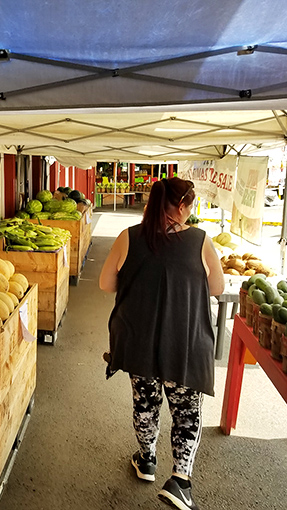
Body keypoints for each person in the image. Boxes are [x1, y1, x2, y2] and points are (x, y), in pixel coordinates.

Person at [99, 177, 224, 510]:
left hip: (138, 342)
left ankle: (147, 461)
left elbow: (106, 283)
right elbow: (216, 287)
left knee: (145, 402)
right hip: (183, 343)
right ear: (182, 207)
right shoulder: (200, 240)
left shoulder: (128, 236)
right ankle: (180, 482)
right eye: (192, 205)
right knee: (186, 412)